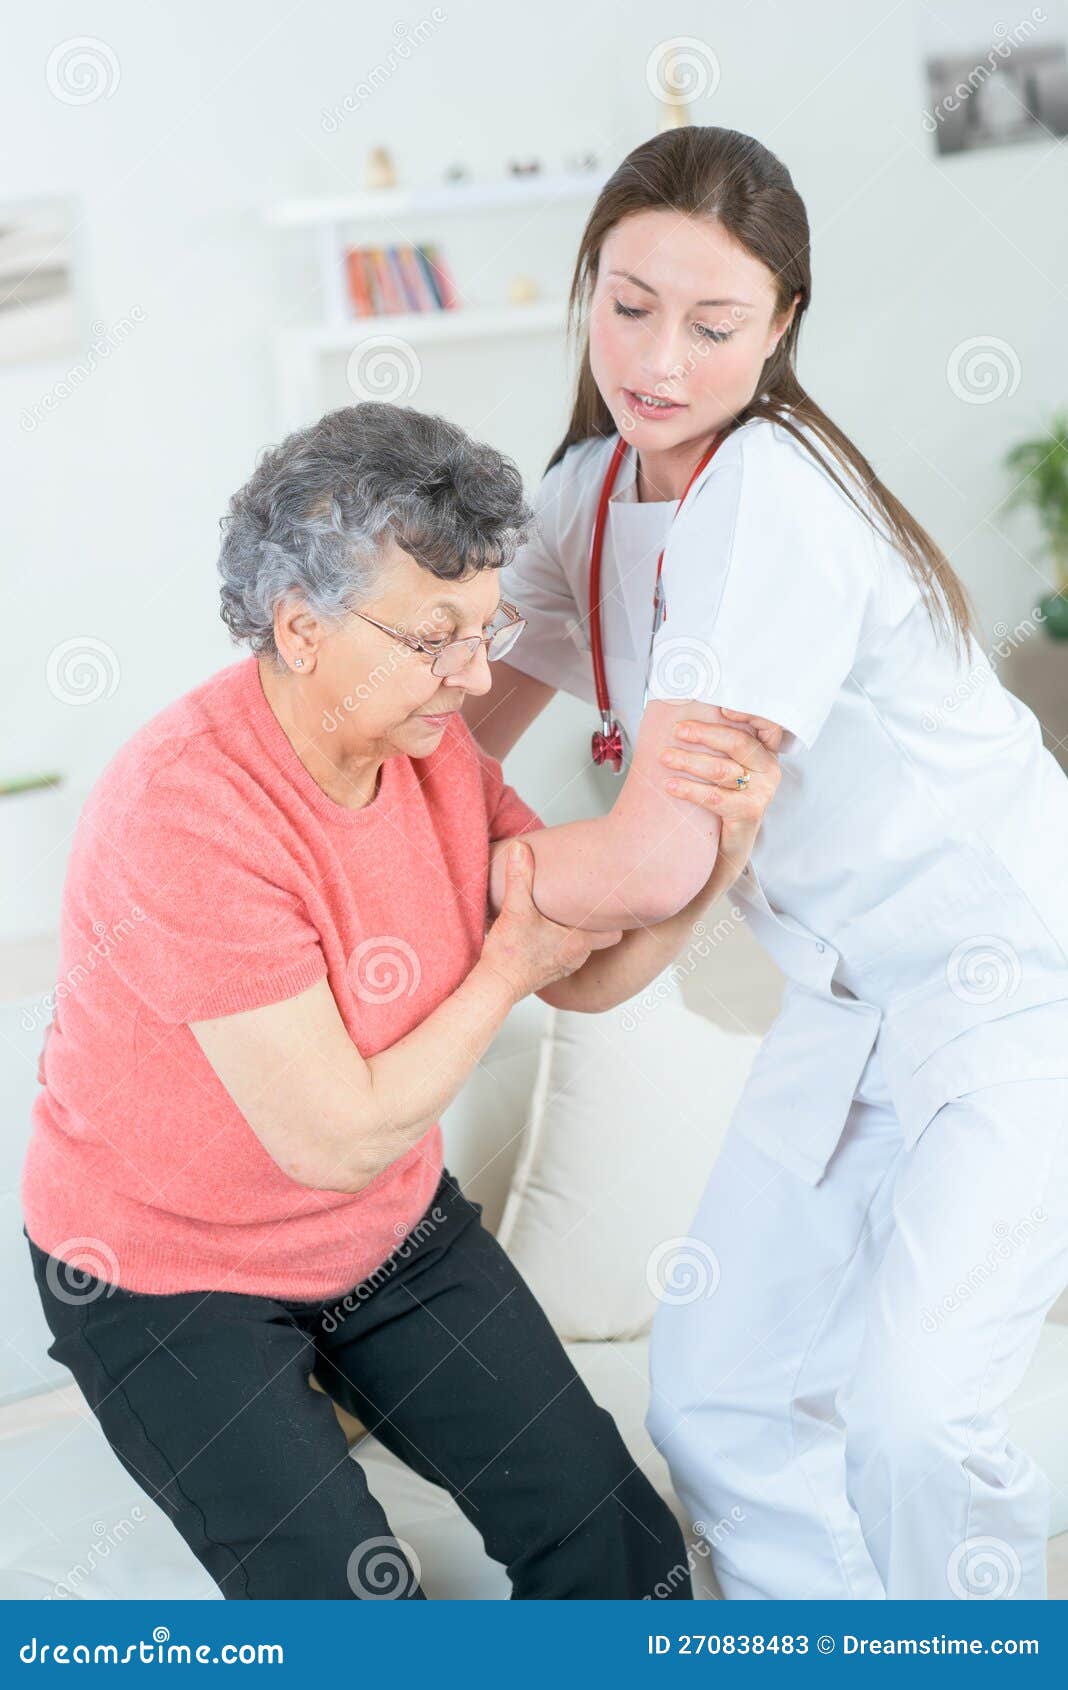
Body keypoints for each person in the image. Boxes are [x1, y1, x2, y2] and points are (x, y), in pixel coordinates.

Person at [22, 402, 778, 1600]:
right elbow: (332, 1138)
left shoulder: (434, 756)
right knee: (357, 1617)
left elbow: (583, 976)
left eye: (485, 631)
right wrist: (506, 966)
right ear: (300, 628)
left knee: (622, 1548)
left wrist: (718, 868)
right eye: (436, 640)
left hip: (384, 1233)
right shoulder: (186, 812)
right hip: (171, 1274)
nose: (475, 678)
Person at [463, 125, 1068, 1600]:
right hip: (840, 999)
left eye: (715, 324)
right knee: (718, 1404)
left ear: (784, 324)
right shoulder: (588, 492)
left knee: (915, 1420)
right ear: (589, 290)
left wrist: (477, 892)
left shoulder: (774, 493)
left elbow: (656, 855)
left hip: (1009, 989)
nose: (660, 359)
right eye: (628, 307)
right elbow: (444, 741)